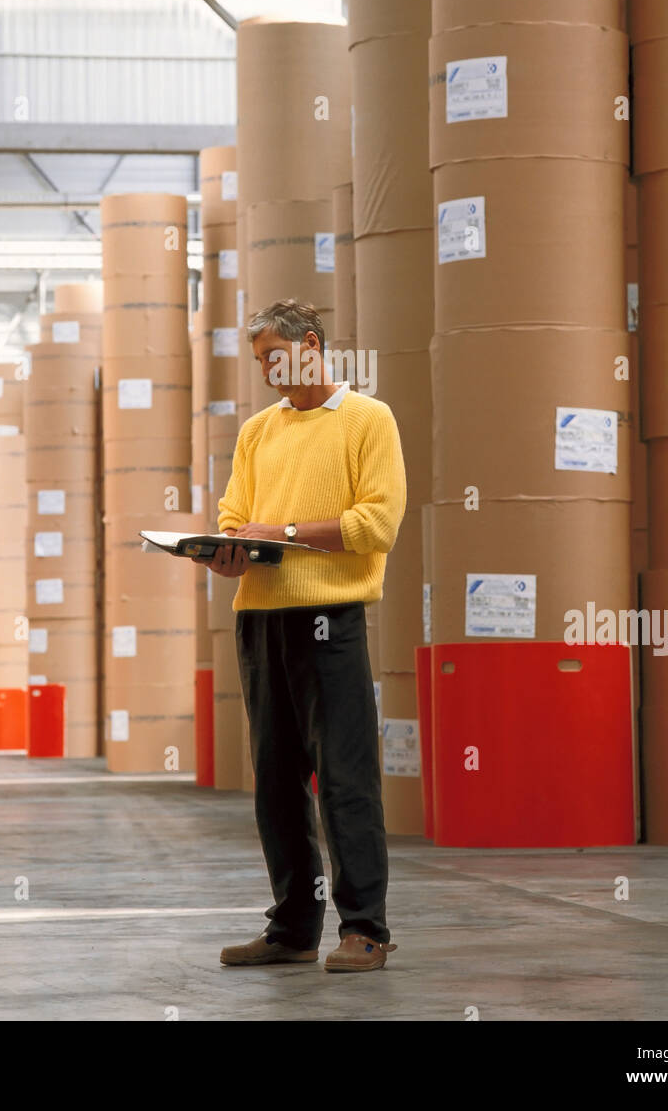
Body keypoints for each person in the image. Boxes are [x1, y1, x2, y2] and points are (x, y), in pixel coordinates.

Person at [206, 298, 406, 972]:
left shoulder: (367, 420)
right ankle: (292, 929)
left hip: (329, 620)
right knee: (273, 782)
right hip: (259, 617)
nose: (265, 371)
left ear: (311, 344)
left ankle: (365, 931)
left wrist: (283, 533)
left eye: (272, 357)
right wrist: (224, 547)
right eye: (258, 361)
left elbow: (375, 524)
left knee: (345, 778)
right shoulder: (258, 432)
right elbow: (235, 516)